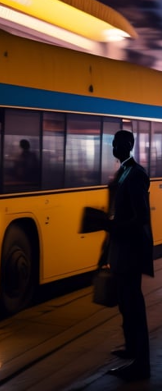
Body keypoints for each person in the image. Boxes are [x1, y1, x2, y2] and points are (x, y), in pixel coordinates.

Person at [98, 130, 153, 381]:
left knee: (134, 308)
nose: (114, 147)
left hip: (130, 254)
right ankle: (132, 349)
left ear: (129, 145)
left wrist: (112, 227)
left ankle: (141, 364)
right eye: (113, 143)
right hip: (120, 252)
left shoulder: (136, 175)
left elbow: (141, 218)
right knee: (125, 305)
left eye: (118, 144)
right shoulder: (123, 173)